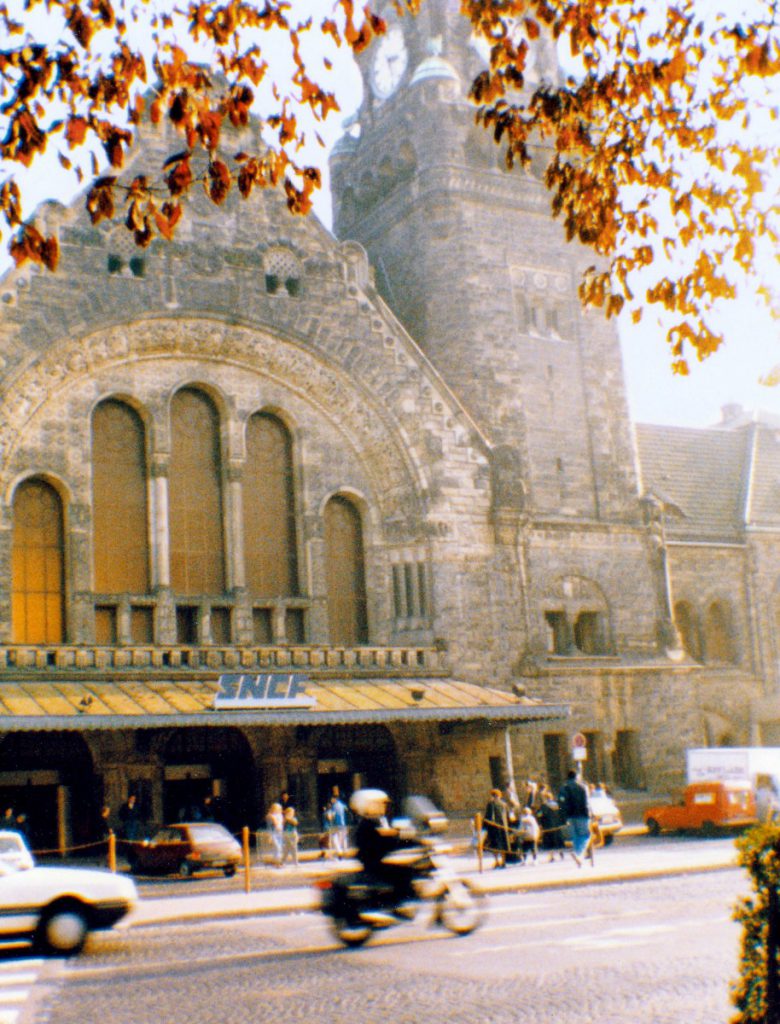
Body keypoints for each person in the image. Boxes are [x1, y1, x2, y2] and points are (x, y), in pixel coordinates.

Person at [350, 788, 416, 906]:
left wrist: (405, 840)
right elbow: (384, 842)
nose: (383, 806)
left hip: (375, 864)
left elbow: (386, 838)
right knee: (405, 873)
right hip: (374, 866)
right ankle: (399, 906)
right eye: (380, 803)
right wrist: (405, 841)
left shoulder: (372, 822)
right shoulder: (368, 825)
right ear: (369, 805)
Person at [558, 770, 592, 867]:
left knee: (575, 837)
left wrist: (562, 815)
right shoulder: (583, 787)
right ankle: (579, 854)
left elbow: (561, 803)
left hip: (569, 815)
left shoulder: (563, 788)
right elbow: (587, 802)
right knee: (585, 835)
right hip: (582, 814)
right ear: (576, 777)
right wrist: (590, 813)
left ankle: (579, 858)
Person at [484, 788, 511, 869]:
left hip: (494, 827)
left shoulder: (490, 804)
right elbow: (508, 816)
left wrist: (484, 826)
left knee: (494, 845)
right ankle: (503, 861)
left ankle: (497, 861)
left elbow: (488, 816)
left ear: (492, 795)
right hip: (503, 827)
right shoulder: (504, 804)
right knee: (503, 844)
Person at [537, 786, 566, 862]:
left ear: (545, 798)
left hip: (548, 826)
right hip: (556, 825)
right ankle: (561, 853)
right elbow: (561, 813)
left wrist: (540, 823)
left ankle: (552, 856)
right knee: (558, 840)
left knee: (550, 842)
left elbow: (539, 815)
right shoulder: (557, 805)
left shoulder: (543, 806)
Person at [327, 789, 349, 859]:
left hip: (336, 825)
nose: (331, 801)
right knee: (341, 839)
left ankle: (339, 852)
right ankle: (343, 851)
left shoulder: (334, 806)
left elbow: (331, 816)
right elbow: (346, 810)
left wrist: (329, 816)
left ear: (334, 799)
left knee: (334, 839)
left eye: (331, 799)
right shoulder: (342, 805)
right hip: (343, 825)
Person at [265, 802, 284, 867]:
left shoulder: (280, 815)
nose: (278, 810)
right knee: (277, 847)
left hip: (280, 833)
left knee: (279, 848)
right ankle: (277, 862)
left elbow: (280, 824)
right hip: (273, 833)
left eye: (279, 809)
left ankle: (278, 862)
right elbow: (274, 824)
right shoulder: (270, 816)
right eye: (276, 809)